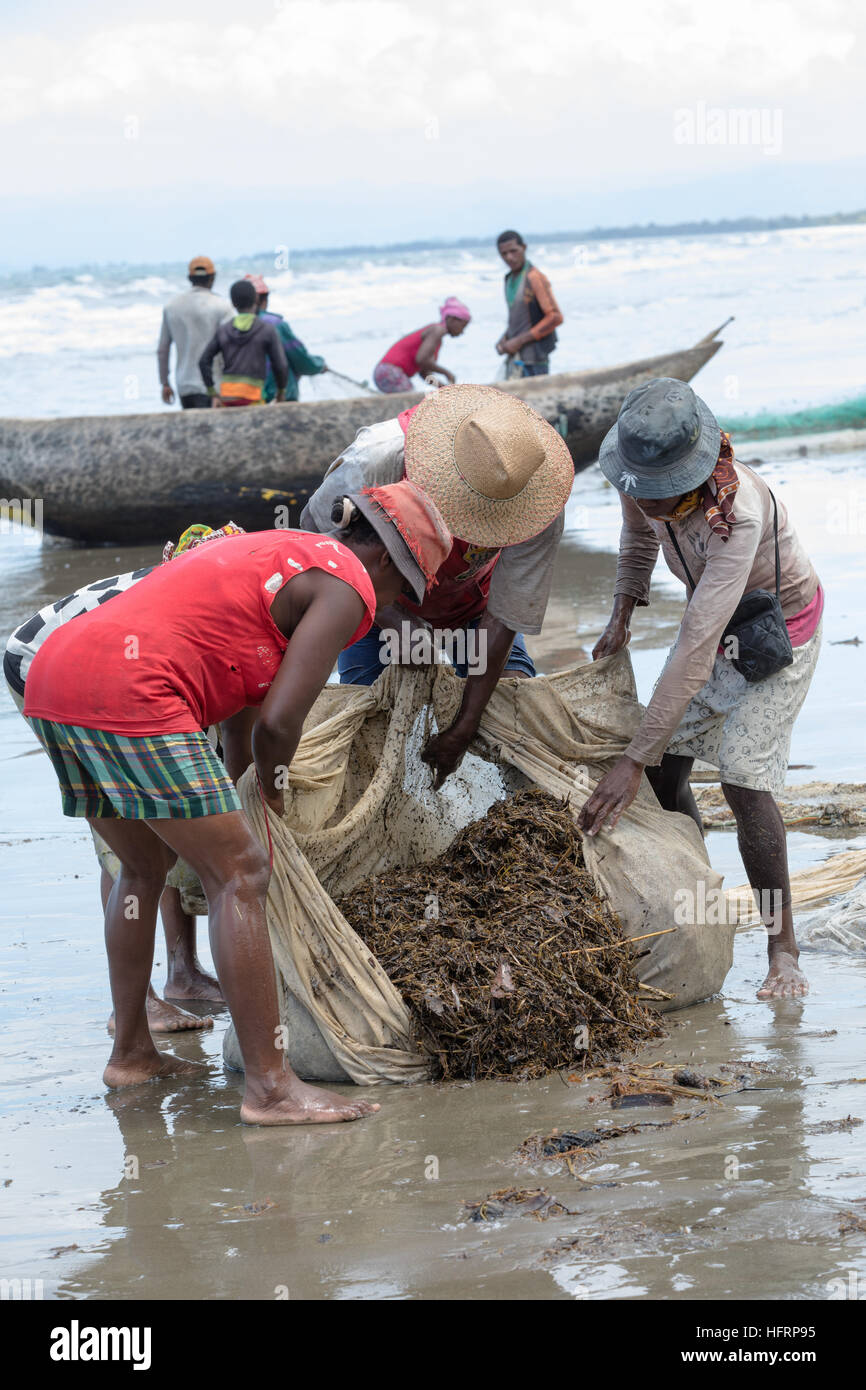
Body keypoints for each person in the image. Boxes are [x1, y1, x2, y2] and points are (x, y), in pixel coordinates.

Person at [22, 484, 452, 1123]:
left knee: (142, 869)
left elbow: (240, 727)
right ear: (388, 561)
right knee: (243, 874)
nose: (390, 606)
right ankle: (272, 1089)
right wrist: (273, 796)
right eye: (404, 590)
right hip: (133, 689)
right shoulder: (348, 585)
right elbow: (278, 726)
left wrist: (247, 793)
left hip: (55, 676)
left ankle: (132, 1053)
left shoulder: (274, 552)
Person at [578, 378, 823, 1002]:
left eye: (662, 496)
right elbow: (637, 539)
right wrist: (623, 610)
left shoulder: (738, 517)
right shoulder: (643, 476)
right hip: (712, 630)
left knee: (744, 779)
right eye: (643, 492)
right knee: (665, 773)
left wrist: (630, 757)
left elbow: (693, 643)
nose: (648, 503)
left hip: (777, 631)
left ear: (693, 473)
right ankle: (702, 900)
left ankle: (782, 946)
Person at [3, 525, 251, 1033]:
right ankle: (133, 1009)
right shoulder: (181, 607)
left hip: (122, 672)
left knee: (175, 817)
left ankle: (182, 971)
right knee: (129, 844)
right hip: (49, 668)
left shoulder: (217, 609)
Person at [301, 383, 573, 786]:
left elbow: (506, 613)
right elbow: (317, 542)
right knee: (365, 728)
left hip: (472, 604)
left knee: (518, 717)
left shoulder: (537, 503)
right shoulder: (379, 459)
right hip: (374, 598)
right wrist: (392, 619)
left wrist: (464, 728)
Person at [198, 279, 288, 407]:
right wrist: (281, 392)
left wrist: (212, 393)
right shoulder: (266, 330)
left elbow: (203, 361)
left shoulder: (223, 330)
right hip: (254, 396)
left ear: (233, 303)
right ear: (256, 299)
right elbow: (281, 365)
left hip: (228, 397)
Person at [157, 256, 231, 409]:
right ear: (213, 278)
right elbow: (230, 347)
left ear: (189, 278)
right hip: (214, 385)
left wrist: (165, 383)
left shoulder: (172, 307)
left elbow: (162, 350)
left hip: (184, 384)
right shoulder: (222, 307)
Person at [243, 274, 328, 403]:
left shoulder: (229, 327)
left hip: (247, 397)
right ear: (264, 299)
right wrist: (319, 365)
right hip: (278, 395)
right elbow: (300, 358)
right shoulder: (275, 324)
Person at [494, 230, 563, 378]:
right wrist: (505, 339)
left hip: (535, 359)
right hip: (517, 358)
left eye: (513, 251)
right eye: (504, 254)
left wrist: (518, 341)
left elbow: (555, 317)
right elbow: (519, 318)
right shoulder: (509, 279)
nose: (509, 257)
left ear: (523, 248)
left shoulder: (534, 277)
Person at [373, 297, 471, 394]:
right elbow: (421, 359)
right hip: (390, 371)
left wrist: (444, 389)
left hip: (383, 372)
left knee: (410, 403)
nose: (462, 332)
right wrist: (447, 374)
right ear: (451, 319)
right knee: (411, 401)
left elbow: (424, 373)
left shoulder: (436, 336)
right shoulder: (438, 330)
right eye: (462, 326)